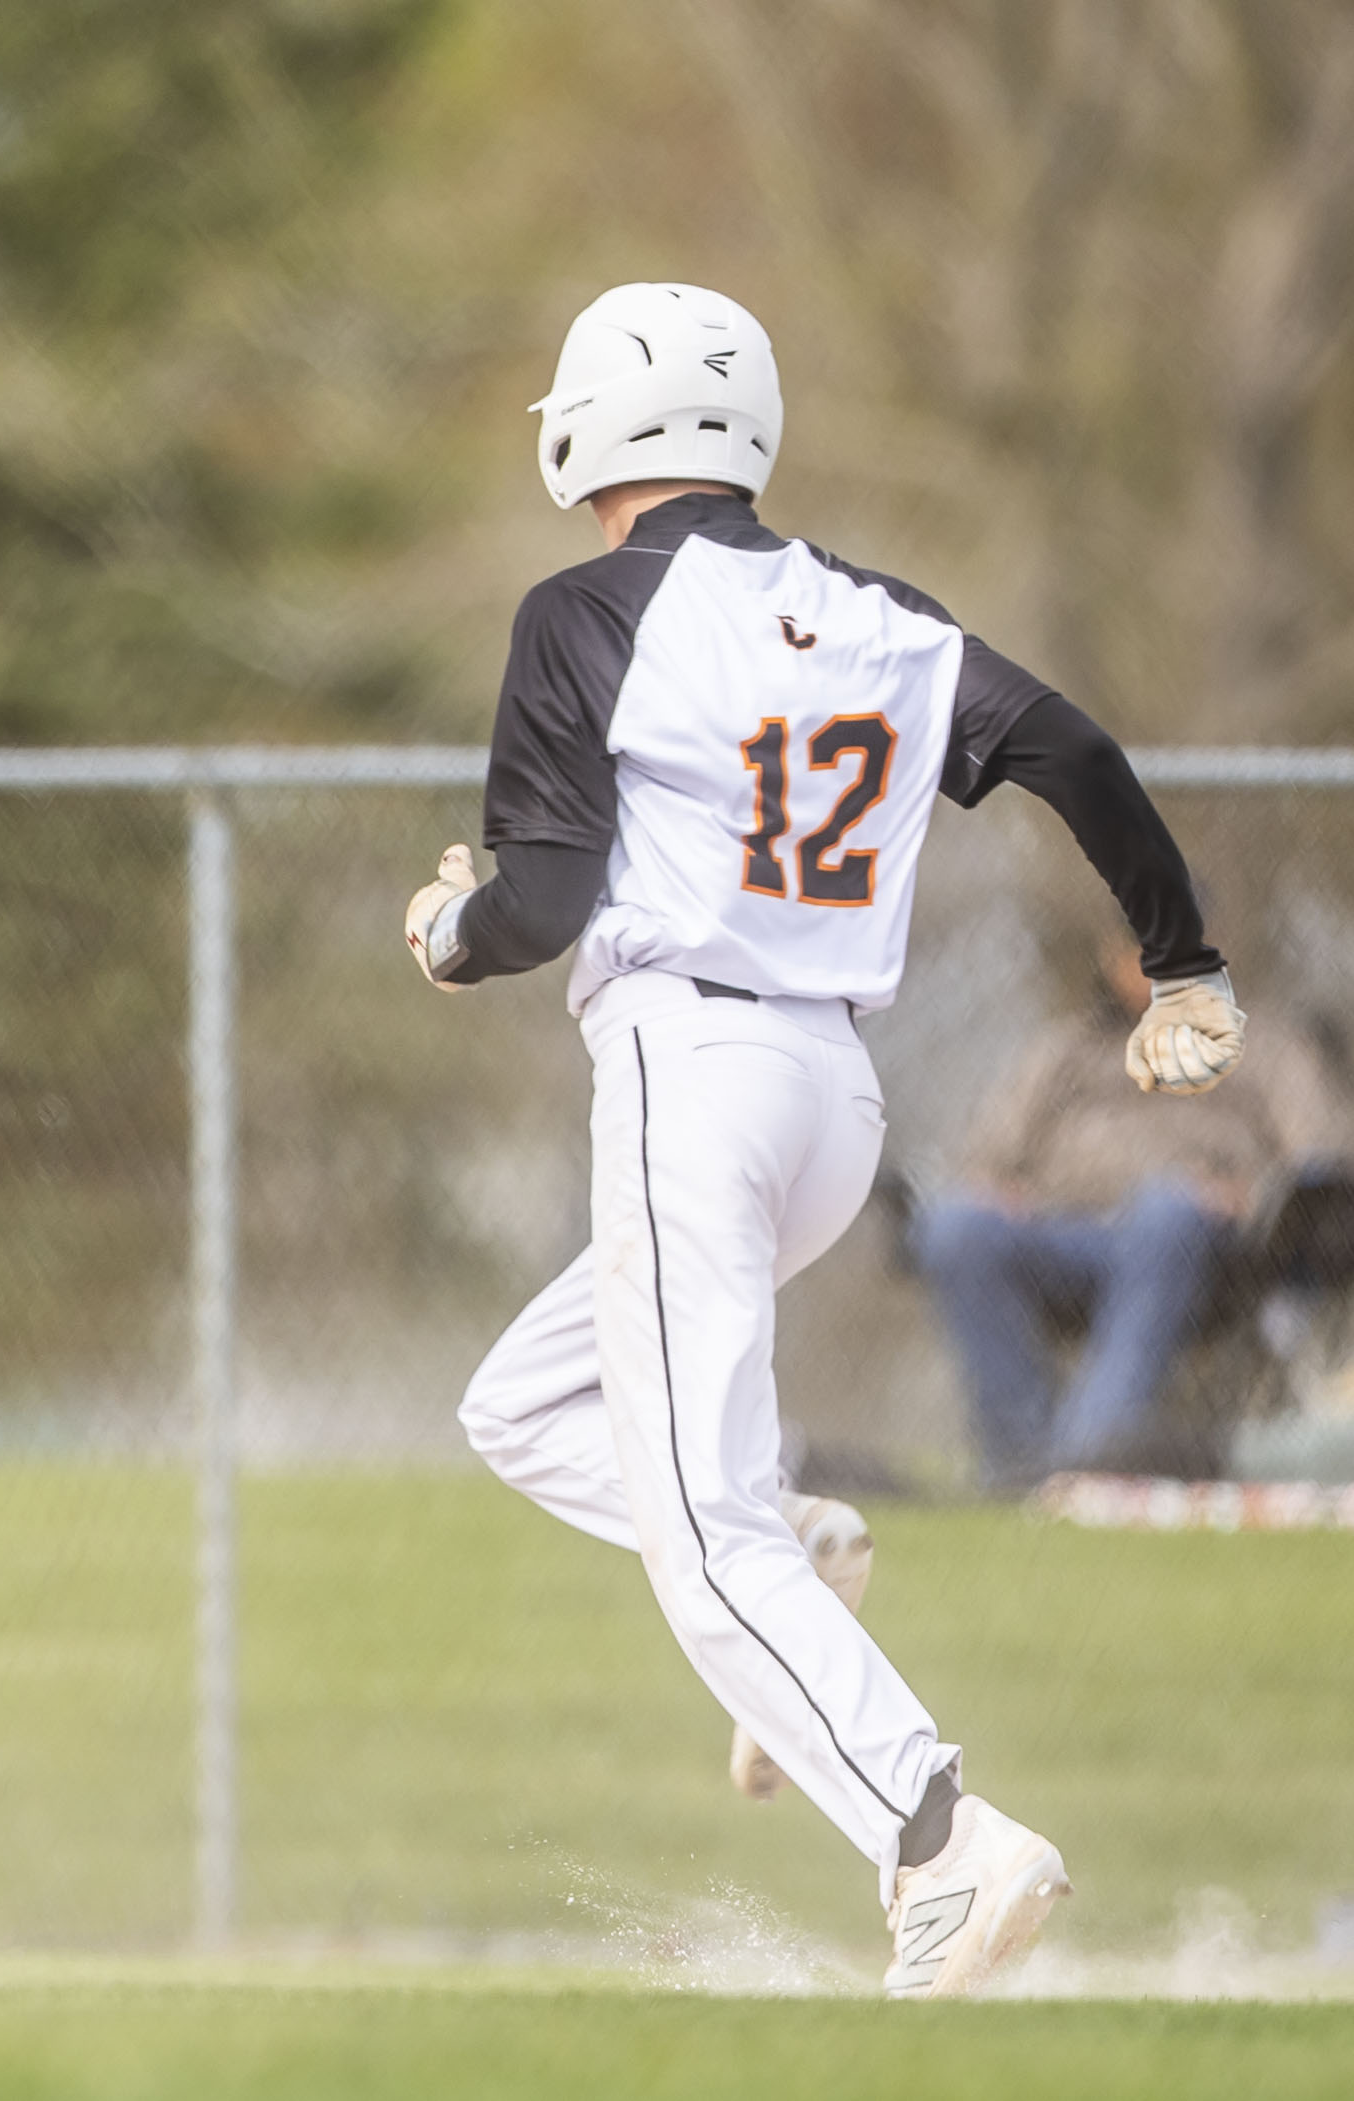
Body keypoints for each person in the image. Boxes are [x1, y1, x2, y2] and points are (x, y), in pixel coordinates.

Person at [405, 284, 1243, 1999]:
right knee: (521, 1412)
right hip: (829, 1104)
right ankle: (815, 1546)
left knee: (702, 1538)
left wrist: (448, 934)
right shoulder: (877, 614)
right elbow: (1071, 749)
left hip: (689, 1072)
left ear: (592, 432)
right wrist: (1184, 958)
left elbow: (549, 897)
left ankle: (940, 1844)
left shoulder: (584, 614)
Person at [915, 931, 1348, 1488]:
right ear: (1112, 957)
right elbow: (986, 1162)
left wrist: (1252, 1198)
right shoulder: (1067, 1050)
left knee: (1164, 1210)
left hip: (1204, 1247)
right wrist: (993, 1190)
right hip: (1066, 1235)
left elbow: (1322, 1167)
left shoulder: (1265, 1044)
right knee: (955, 1228)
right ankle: (1020, 1461)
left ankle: (1087, 1459)